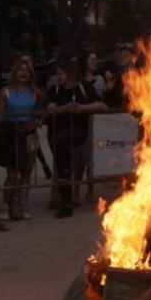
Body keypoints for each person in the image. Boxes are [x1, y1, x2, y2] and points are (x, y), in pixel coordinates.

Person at [46, 57, 105, 219]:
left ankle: (69, 200)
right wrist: (66, 108)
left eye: (62, 73)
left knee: (76, 166)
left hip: (78, 134)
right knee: (62, 165)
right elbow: (50, 110)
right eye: (57, 74)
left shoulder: (83, 88)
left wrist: (81, 108)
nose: (59, 77)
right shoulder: (54, 90)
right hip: (56, 134)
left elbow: (101, 106)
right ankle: (65, 201)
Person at [0, 56, 42, 223]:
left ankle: (21, 207)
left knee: (26, 173)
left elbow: (41, 112)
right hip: (11, 136)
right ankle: (7, 205)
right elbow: (0, 116)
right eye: (21, 70)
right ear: (15, 72)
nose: (24, 73)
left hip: (30, 136)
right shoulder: (5, 92)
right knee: (12, 174)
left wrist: (38, 121)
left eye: (27, 71)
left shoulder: (35, 92)